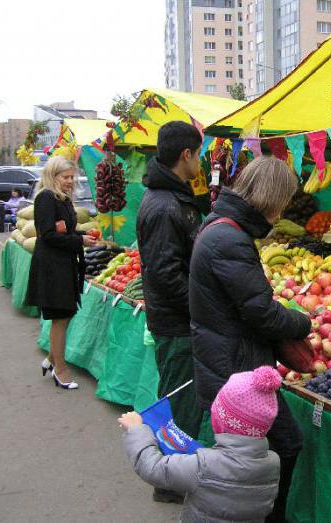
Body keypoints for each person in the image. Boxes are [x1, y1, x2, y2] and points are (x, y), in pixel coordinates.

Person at [189, 156, 312, 522]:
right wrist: (303, 323)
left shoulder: (220, 227)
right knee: (286, 444)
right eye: (284, 200)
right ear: (272, 198)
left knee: (245, 455)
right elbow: (262, 312)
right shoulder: (231, 240)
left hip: (225, 360)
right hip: (236, 369)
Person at [136, 121, 204, 503]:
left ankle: (171, 473)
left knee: (180, 397)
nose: (202, 160)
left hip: (177, 318)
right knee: (180, 400)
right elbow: (164, 274)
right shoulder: (164, 206)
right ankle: (171, 482)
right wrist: (200, 309)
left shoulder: (169, 197)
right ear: (186, 155)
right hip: (177, 322)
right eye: (199, 153)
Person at [119, 366, 282, 523]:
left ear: (221, 420)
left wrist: (137, 430)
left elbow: (153, 467)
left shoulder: (203, 465)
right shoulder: (273, 462)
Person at [26, 157, 97, 389]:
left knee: (66, 313)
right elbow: (47, 234)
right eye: (66, 177)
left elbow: (66, 229)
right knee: (61, 316)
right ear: (53, 177)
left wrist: (82, 236)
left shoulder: (62, 199)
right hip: (52, 267)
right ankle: (60, 369)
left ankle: (50, 358)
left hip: (64, 264)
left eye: (71, 177)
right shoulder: (46, 197)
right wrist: (79, 240)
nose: (70, 181)